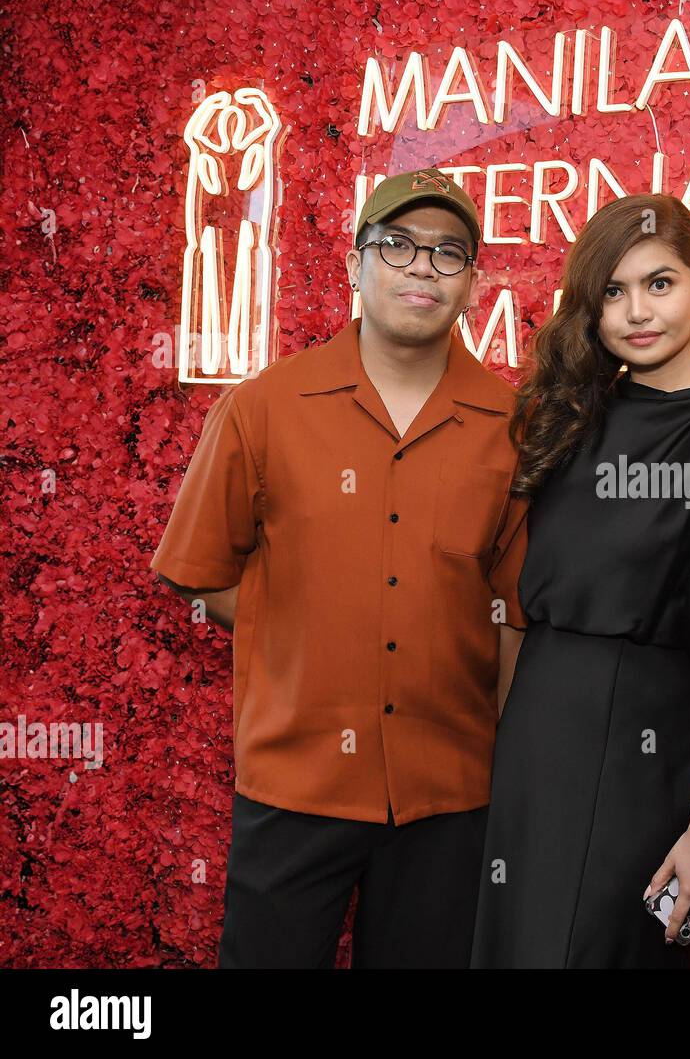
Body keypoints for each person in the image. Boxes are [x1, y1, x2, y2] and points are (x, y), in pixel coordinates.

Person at [150, 166, 529, 968]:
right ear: (355, 265)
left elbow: (517, 617)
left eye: (449, 253)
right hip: (296, 785)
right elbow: (199, 568)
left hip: (449, 796)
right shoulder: (263, 406)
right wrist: (295, 616)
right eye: (398, 245)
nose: (422, 266)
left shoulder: (511, 426)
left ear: (472, 285)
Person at [470, 193, 690, 968]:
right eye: (612, 292)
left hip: (637, 752)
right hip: (531, 742)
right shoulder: (568, 420)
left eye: (660, 284)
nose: (636, 311)